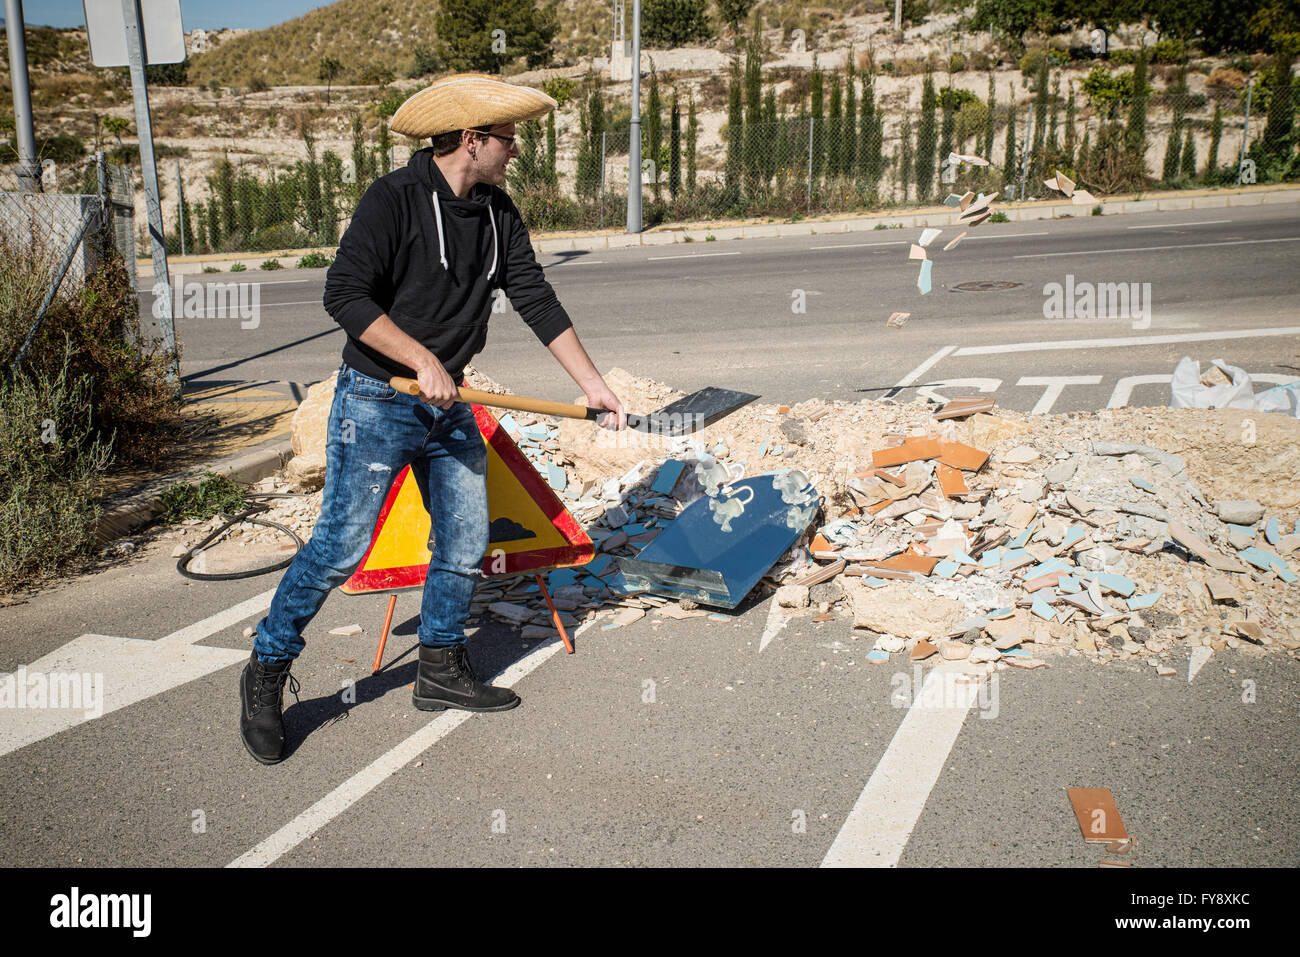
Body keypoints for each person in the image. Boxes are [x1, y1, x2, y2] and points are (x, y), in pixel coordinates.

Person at [239, 74, 626, 765]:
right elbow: (345, 295)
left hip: (450, 404)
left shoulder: (498, 214)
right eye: (507, 140)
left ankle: (440, 665)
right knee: (342, 544)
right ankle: (266, 668)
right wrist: (421, 359)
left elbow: (534, 296)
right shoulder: (393, 200)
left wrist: (593, 385)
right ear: (472, 140)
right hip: (377, 398)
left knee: (466, 534)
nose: (515, 152)